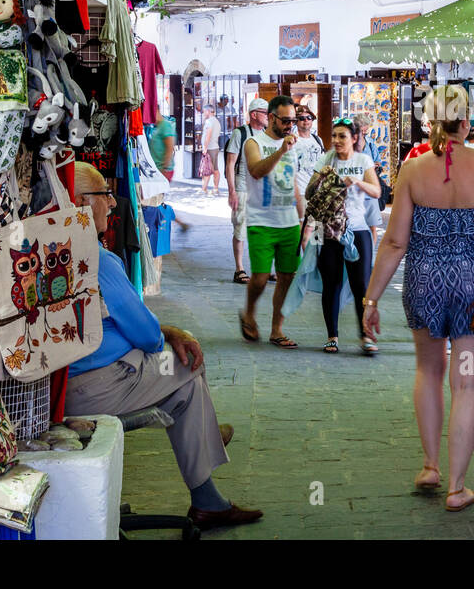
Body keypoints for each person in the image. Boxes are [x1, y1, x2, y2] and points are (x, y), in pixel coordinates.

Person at [362, 85, 474, 511]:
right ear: (466, 122)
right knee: (467, 380)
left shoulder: (414, 170)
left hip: (424, 283)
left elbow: (396, 243)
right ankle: (457, 488)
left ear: (431, 121)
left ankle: (430, 466)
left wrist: (371, 299)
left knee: (428, 371)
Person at [64, 163, 261, 530]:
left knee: (182, 393)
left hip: (74, 387)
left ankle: (208, 498)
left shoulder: (56, 253)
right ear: (79, 204)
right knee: (187, 362)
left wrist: (160, 333)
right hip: (99, 387)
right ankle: (207, 442)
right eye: (103, 196)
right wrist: (169, 333)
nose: (111, 204)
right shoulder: (98, 260)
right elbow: (147, 336)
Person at [308, 117, 381, 354]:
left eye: (343, 136)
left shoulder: (363, 160)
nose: (337, 141)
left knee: (362, 285)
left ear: (354, 138)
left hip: (357, 229)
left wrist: (358, 182)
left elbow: (377, 191)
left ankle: (366, 336)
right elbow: (309, 193)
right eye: (335, 136)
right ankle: (332, 336)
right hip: (328, 230)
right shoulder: (325, 159)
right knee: (332, 283)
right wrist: (321, 177)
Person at [239, 95, 305, 348]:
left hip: (289, 222)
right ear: (271, 117)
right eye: (286, 120)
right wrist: (281, 150)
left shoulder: (293, 146)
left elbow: (294, 186)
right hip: (261, 221)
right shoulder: (253, 142)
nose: (291, 125)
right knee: (260, 277)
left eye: (294, 121)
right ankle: (249, 313)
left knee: (287, 276)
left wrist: (302, 220)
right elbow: (256, 170)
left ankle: (277, 329)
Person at [226, 98, 269, 285]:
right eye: (265, 113)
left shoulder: (268, 135)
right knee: (241, 228)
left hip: (262, 190)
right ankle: (239, 269)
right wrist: (232, 191)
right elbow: (230, 164)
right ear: (254, 114)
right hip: (243, 188)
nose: (268, 116)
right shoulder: (240, 134)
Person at [352, 112, 384, 246]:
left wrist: (375, 165)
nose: (364, 132)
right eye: (361, 129)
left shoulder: (370, 143)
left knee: (372, 226)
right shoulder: (350, 143)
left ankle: (369, 255)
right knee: (353, 227)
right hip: (354, 191)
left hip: (370, 192)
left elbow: (377, 161)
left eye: (365, 130)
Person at [292, 103, 325, 196]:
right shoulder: (293, 140)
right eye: (301, 118)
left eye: (309, 117)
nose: (306, 120)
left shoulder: (317, 140)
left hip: (318, 192)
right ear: (296, 121)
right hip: (301, 192)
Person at [199, 104, 222, 196]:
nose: (203, 113)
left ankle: (204, 189)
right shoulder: (216, 121)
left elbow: (208, 135)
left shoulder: (209, 122)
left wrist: (205, 147)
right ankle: (215, 189)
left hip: (210, 148)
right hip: (215, 147)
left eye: (204, 111)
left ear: (208, 111)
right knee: (215, 169)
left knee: (207, 169)